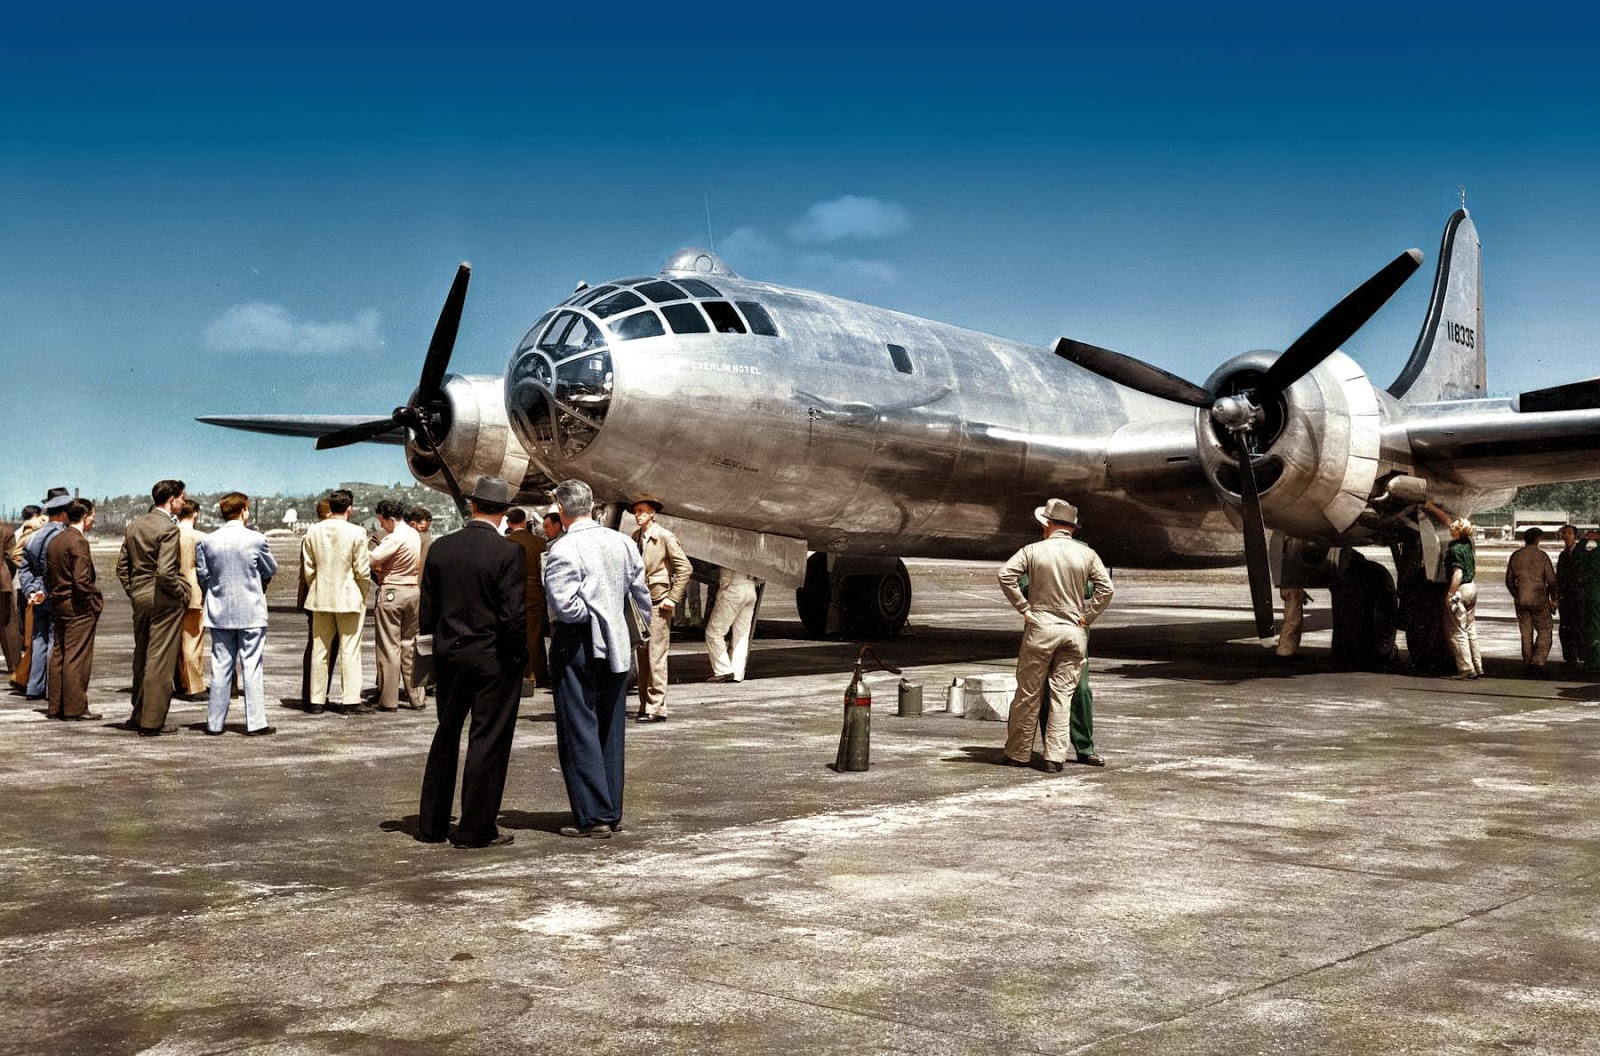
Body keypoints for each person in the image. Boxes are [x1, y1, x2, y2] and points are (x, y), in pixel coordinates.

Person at [416, 477, 527, 849]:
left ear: (473, 506)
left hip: (449, 655)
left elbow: (427, 610)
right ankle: (475, 828)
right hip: (490, 658)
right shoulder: (507, 552)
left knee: (445, 735)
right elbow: (512, 616)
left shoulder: (442, 548)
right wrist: (518, 656)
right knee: (487, 740)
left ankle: (431, 823)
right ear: (502, 512)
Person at [545, 478, 651, 838]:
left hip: (578, 641)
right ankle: (611, 808)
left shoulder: (563, 547)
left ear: (561, 510)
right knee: (610, 725)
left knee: (579, 726)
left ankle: (593, 816)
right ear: (590, 506)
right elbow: (641, 596)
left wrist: (587, 616)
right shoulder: (622, 542)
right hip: (618, 640)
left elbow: (564, 605)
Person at [997, 498, 1114, 771]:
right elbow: (1105, 589)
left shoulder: (1033, 550)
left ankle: (1018, 753)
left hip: (1041, 628)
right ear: (1072, 527)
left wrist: (1024, 608)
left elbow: (1006, 575)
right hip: (1074, 630)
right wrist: (1088, 616)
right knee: (1063, 696)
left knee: (1028, 693)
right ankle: (1054, 758)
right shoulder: (1087, 554)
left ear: (1048, 524)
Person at [196, 492, 279, 735]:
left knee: (221, 665)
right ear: (244, 510)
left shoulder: (207, 541)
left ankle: (214, 723)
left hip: (220, 611)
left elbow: (204, 575)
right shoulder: (256, 539)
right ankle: (255, 722)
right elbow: (269, 568)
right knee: (252, 665)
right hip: (251, 610)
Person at [118, 480, 190, 735]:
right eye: (181, 498)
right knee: (160, 661)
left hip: (140, 597)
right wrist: (181, 592)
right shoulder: (169, 529)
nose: (183, 502)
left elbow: (122, 567)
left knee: (142, 656)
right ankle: (151, 721)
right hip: (163, 599)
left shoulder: (135, 526)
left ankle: (137, 714)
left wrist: (135, 591)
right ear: (171, 500)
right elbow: (165, 572)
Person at [302, 488, 371, 714]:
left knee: (320, 650)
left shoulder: (313, 531)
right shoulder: (358, 532)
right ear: (349, 509)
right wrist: (362, 593)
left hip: (321, 596)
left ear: (330, 508)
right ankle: (350, 700)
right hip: (349, 597)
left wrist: (317, 585)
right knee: (350, 649)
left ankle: (316, 700)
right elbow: (362, 570)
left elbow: (309, 568)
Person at [630, 494, 691, 722]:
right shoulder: (636, 537)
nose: (638, 515)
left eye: (642, 511)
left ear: (653, 513)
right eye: (635, 511)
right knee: (642, 657)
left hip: (658, 603)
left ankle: (657, 708)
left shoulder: (664, 536)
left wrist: (673, 598)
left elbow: (685, 568)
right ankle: (645, 705)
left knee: (656, 657)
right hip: (640, 604)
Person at [44, 499, 102, 721]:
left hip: (58, 602)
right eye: (93, 515)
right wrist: (94, 600)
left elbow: (48, 576)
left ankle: (55, 706)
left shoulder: (56, 540)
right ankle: (75, 707)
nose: (93, 519)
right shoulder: (78, 542)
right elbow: (81, 580)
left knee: (59, 653)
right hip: (77, 605)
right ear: (86, 516)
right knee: (76, 656)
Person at [369, 498, 425, 712]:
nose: (381, 525)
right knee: (409, 644)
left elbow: (372, 559)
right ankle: (416, 697)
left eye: (382, 521)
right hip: (412, 591)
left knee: (388, 646)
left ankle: (389, 699)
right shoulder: (413, 534)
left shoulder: (395, 537)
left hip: (393, 591)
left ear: (390, 519)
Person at [20, 493, 72, 700]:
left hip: (38, 593)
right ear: (64, 514)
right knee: (55, 640)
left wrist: (31, 591)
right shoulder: (61, 537)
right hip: (54, 592)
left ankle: (35, 685)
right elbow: (58, 568)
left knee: (38, 639)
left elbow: (25, 568)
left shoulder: (34, 536)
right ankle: (53, 687)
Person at [504, 507, 550, 689]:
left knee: (515, 634)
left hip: (512, 594)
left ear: (509, 523)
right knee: (535, 633)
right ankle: (537, 674)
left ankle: (520, 673)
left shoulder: (506, 542)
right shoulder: (540, 542)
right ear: (524, 521)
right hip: (535, 593)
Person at [1505, 526, 1558, 678]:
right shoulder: (1542, 556)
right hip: (1539, 599)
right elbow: (1552, 580)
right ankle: (1538, 663)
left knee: (1526, 633)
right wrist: (1553, 599)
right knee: (1545, 631)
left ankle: (1528, 664)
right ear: (1537, 539)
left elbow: (1509, 580)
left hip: (1522, 600)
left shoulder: (1516, 556)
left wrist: (1516, 594)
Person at [1440, 514, 1483, 680]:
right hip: (1472, 588)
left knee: (1457, 630)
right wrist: (1430, 507)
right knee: (1471, 629)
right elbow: (1448, 521)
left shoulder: (1455, 550)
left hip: (1460, 591)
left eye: (1453, 527)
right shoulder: (1468, 542)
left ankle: (1466, 668)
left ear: (1457, 531)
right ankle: (1478, 666)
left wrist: (1449, 594)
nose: (1450, 527)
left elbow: (1457, 574)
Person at [6, 503, 44, 687]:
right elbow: (15, 553)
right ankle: (23, 674)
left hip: (25, 584)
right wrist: (27, 570)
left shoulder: (21, 529)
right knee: (31, 629)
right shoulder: (33, 528)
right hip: (30, 585)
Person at [175, 498, 208, 700]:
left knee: (178, 642)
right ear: (195, 513)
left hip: (172, 593)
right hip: (193, 592)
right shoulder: (201, 537)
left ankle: (182, 682)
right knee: (192, 641)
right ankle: (194, 685)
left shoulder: (170, 534)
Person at [704, 567, 759, 683]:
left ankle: (723, 670)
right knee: (742, 634)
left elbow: (725, 577)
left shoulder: (732, 549)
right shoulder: (754, 550)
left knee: (714, 632)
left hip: (733, 588)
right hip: (751, 587)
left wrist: (722, 591)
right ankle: (738, 672)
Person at [1557, 524, 1587, 671]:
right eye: (1564, 533)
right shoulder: (1563, 556)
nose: (1566, 535)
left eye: (1569, 533)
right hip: (1566, 598)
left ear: (1575, 536)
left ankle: (1583, 656)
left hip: (1579, 598)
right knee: (1565, 628)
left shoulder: (1581, 554)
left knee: (1580, 626)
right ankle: (1570, 658)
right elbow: (1559, 578)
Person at [0, 516, 18, 676]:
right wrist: (7, 576)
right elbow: (14, 557)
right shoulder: (5, 528)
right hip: (1, 584)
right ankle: (14, 666)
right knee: (7, 625)